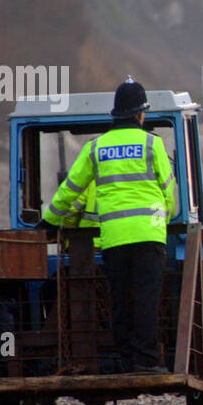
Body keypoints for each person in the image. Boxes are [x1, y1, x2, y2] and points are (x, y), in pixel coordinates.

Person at [42, 80, 176, 373]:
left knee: (121, 301)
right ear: (141, 115)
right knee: (146, 300)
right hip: (149, 236)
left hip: (114, 239)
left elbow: (69, 190)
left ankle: (126, 361)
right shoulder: (152, 144)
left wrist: (48, 222)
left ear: (115, 114)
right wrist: (163, 219)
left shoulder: (95, 148)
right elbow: (169, 192)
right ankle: (147, 362)